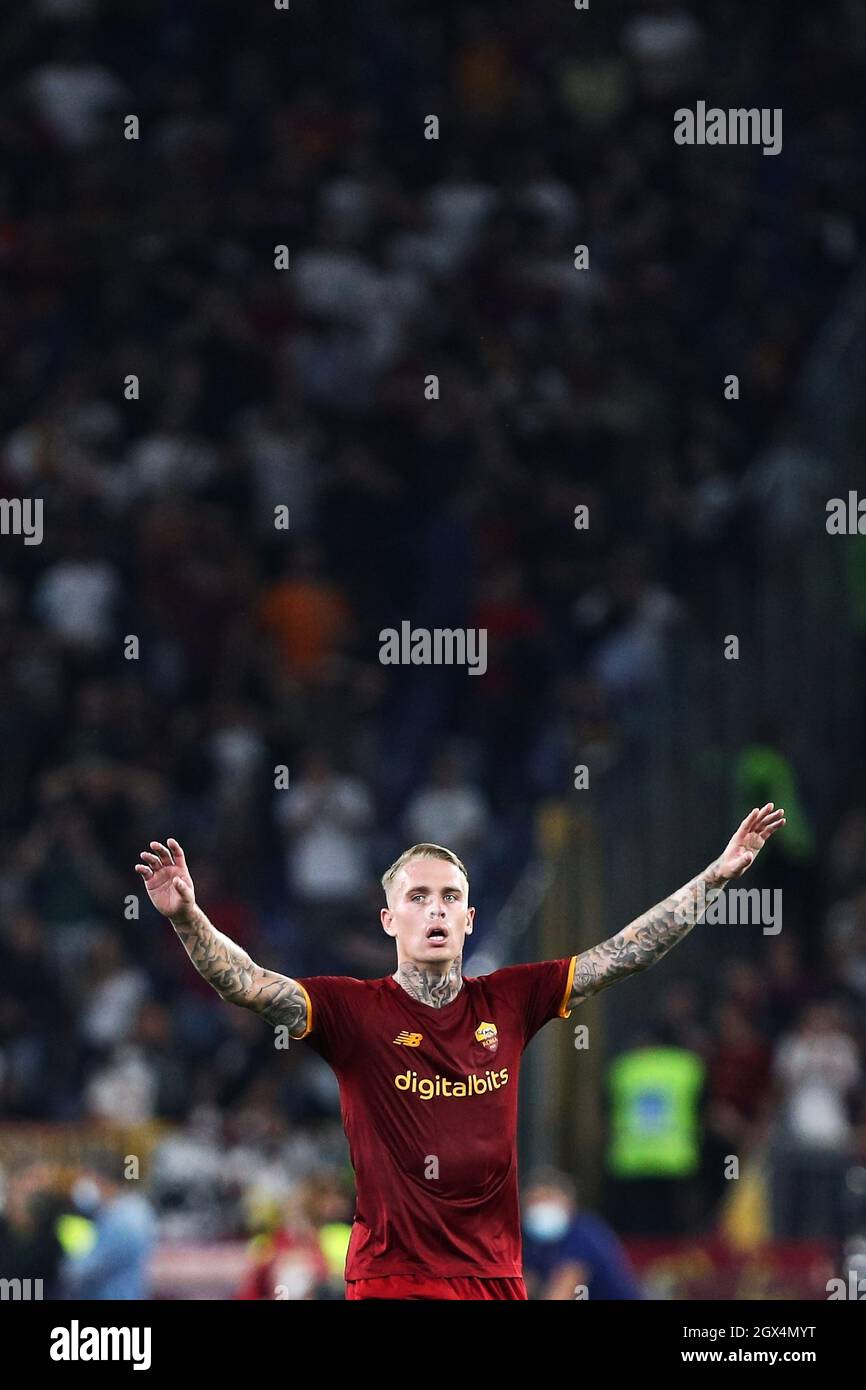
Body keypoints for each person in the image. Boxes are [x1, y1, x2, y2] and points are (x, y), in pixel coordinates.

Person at [135, 803, 785, 1301]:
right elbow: (247, 983)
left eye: (450, 897)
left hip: (495, 1279)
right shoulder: (352, 1010)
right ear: (389, 920)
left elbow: (626, 953)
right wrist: (189, 918)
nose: (435, 909)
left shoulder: (511, 998)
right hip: (393, 1279)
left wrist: (716, 876)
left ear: (470, 919)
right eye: (417, 897)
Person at [521, 1168, 641, 1299]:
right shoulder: (533, 1241)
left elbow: (563, 1291)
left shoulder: (583, 1234)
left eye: (548, 1198)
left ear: (569, 1202)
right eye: (534, 1200)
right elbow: (524, 1285)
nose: (540, 1207)